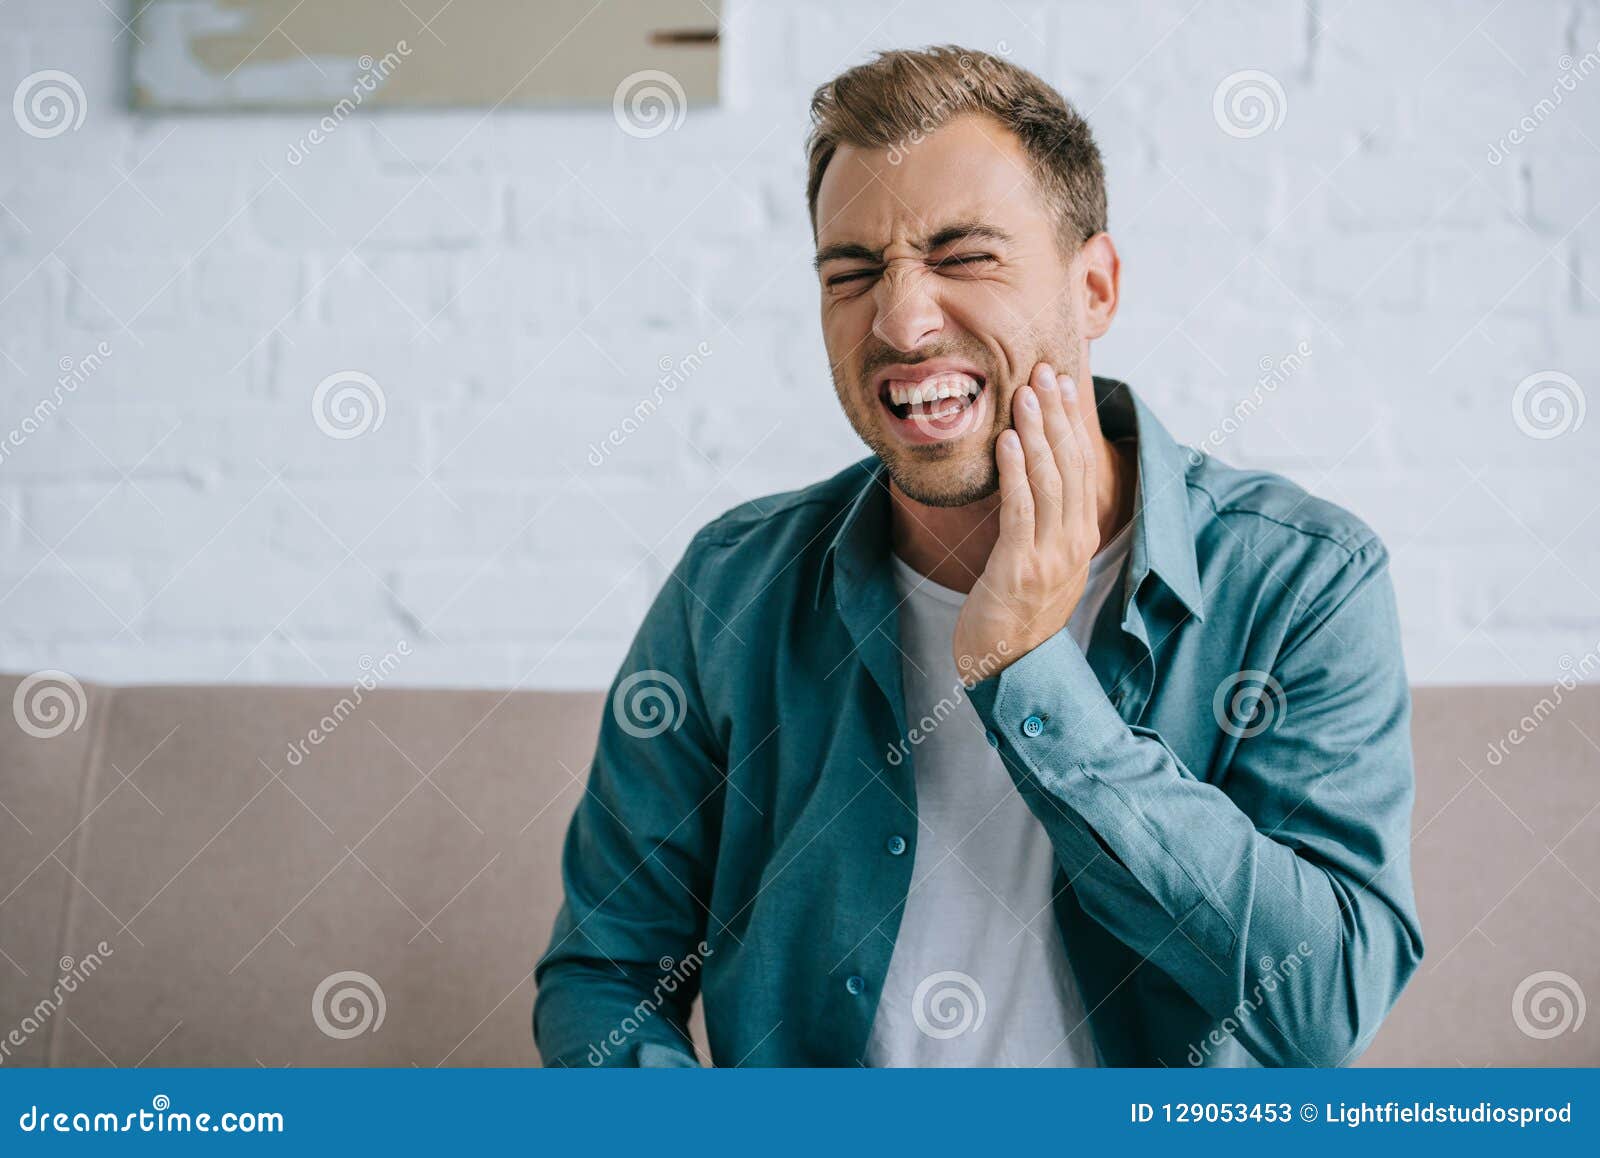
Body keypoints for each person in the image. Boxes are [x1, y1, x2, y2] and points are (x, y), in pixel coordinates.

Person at [535, 46, 1422, 1068]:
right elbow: (606, 973)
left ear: (1093, 287)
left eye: (963, 257)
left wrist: (1028, 672)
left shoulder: (1302, 582)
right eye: (852, 272)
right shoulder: (731, 587)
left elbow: (1319, 1011)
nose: (901, 320)